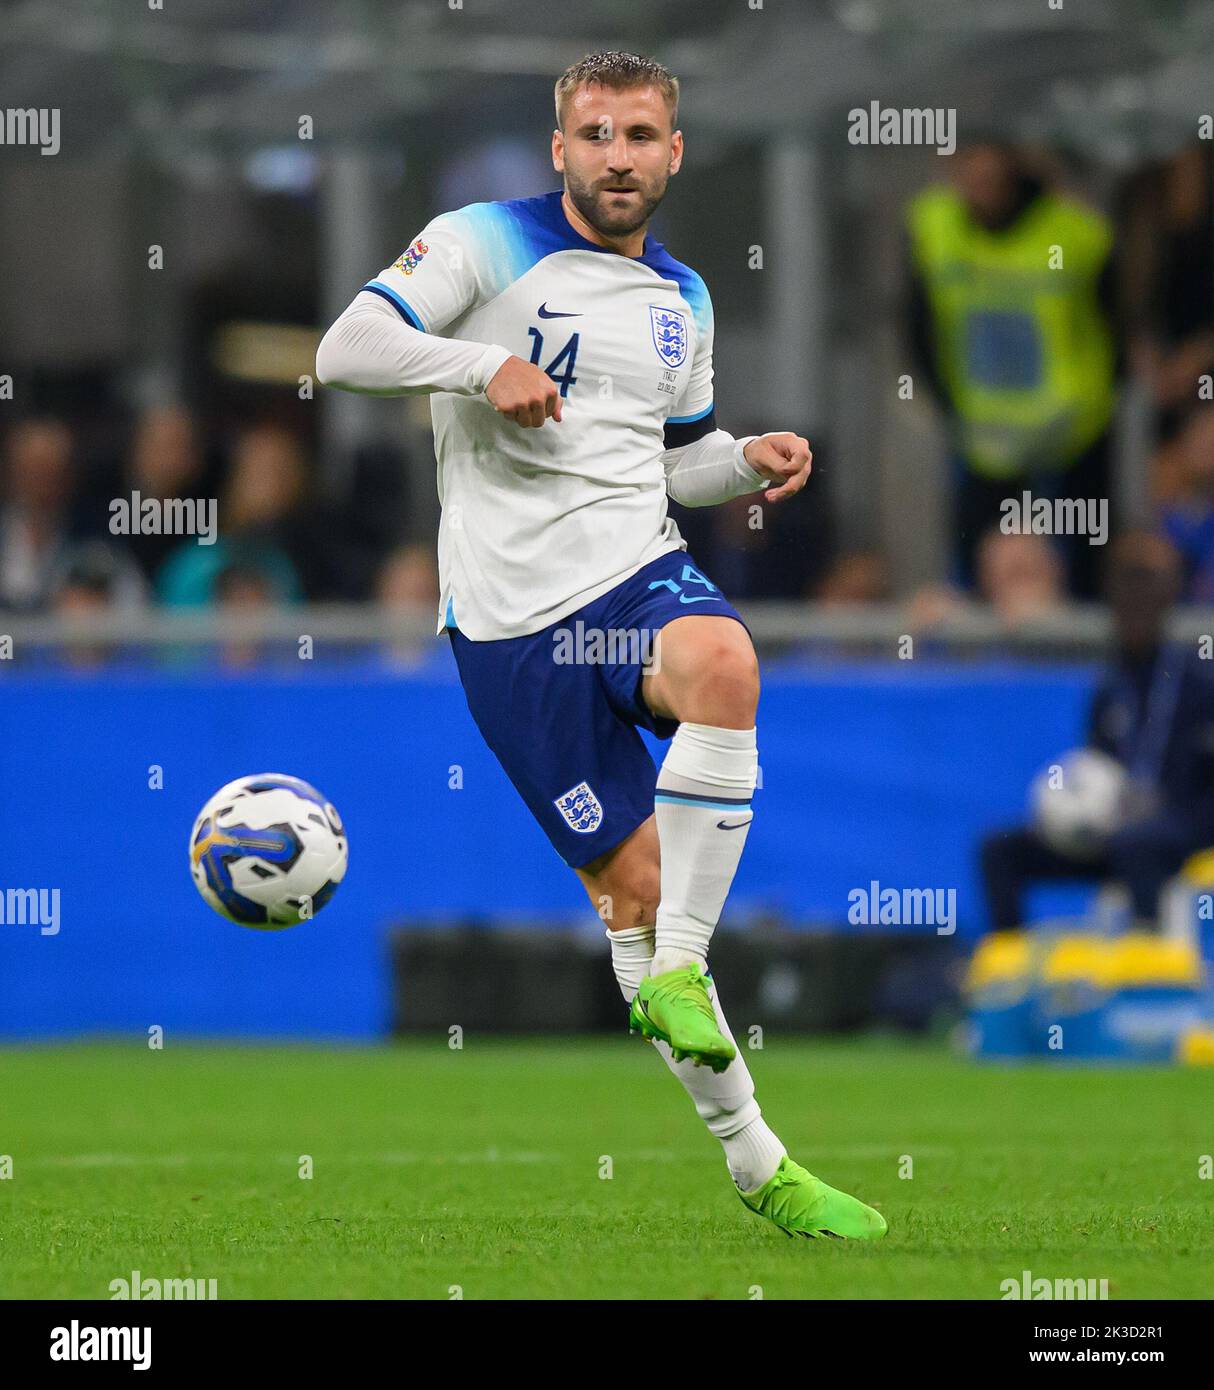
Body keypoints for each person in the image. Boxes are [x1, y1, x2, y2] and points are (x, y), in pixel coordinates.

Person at [317, 50, 884, 1241]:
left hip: (632, 571)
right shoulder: (480, 240)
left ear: (672, 153)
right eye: (593, 133)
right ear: (558, 146)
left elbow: (664, 456)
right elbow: (344, 352)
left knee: (724, 666)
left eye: (638, 135)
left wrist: (744, 461)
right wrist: (484, 366)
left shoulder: (682, 298)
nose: (615, 155)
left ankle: (681, 964)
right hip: (509, 622)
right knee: (627, 887)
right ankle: (755, 1162)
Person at [905, 143, 1119, 598]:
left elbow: (1115, 321)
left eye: (994, 178)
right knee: (979, 577)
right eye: (971, 175)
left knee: (1074, 577)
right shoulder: (936, 228)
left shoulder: (1071, 231)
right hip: (984, 441)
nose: (982, 190)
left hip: (1071, 438)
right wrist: (947, 404)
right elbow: (917, 326)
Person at [980, 533, 1214, 932]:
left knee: (1138, 844)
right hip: (1115, 827)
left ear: (1166, 601)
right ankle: (1008, 966)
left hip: (1184, 826)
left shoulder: (1197, 682)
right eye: (1124, 593)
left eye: (1146, 591)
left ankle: (1148, 965)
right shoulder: (1110, 687)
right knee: (999, 850)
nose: (1134, 605)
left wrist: (1160, 810)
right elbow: (1095, 769)